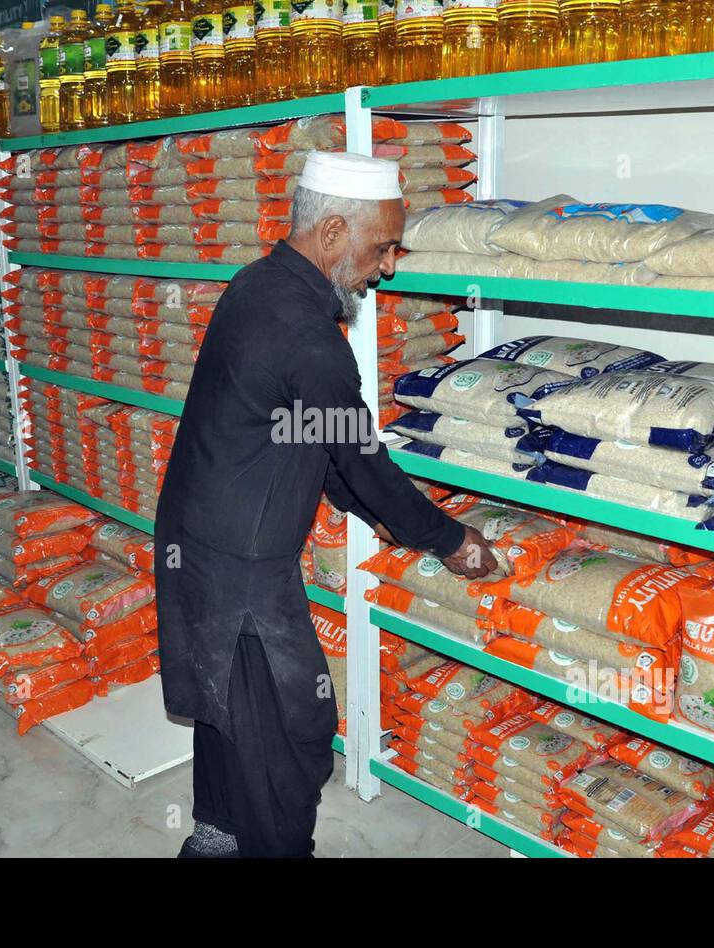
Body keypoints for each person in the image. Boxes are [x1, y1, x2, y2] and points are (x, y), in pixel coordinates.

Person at [154, 151, 498, 859]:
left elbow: (316, 438)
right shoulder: (310, 337)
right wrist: (449, 539)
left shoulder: (257, 287)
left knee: (230, 714)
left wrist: (374, 513)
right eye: (382, 248)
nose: (388, 268)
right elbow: (360, 458)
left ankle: (215, 844)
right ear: (335, 231)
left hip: (202, 541)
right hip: (242, 568)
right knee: (289, 738)